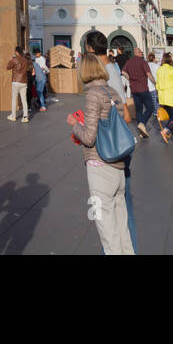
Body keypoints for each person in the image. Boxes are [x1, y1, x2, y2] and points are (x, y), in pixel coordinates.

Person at [67, 51, 134, 254]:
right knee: (122, 229)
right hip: (119, 166)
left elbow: (89, 137)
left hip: (99, 167)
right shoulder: (112, 91)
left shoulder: (93, 95)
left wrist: (74, 124)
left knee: (108, 233)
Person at [121, 48, 156, 138]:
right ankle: (142, 123)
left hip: (134, 89)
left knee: (139, 109)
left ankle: (141, 131)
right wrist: (155, 83)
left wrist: (129, 78)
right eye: (141, 52)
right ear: (139, 53)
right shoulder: (143, 62)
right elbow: (148, 74)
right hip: (143, 88)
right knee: (150, 107)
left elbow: (123, 72)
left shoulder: (129, 62)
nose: (142, 54)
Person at [155, 53, 173, 144]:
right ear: (170, 60)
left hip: (163, 98)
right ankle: (166, 130)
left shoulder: (159, 70)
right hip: (172, 97)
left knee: (172, 117)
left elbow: (157, 85)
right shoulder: (171, 70)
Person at [6, 46, 31, 122]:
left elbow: (7, 67)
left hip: (16, 81)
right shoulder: (25, 60)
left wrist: (11, 59)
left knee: (14, 99)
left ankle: (13, 116)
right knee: (24, 99)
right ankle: (25, 117)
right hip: (24, 81)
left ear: (16, 52)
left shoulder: (14, 59)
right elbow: (29, 67)